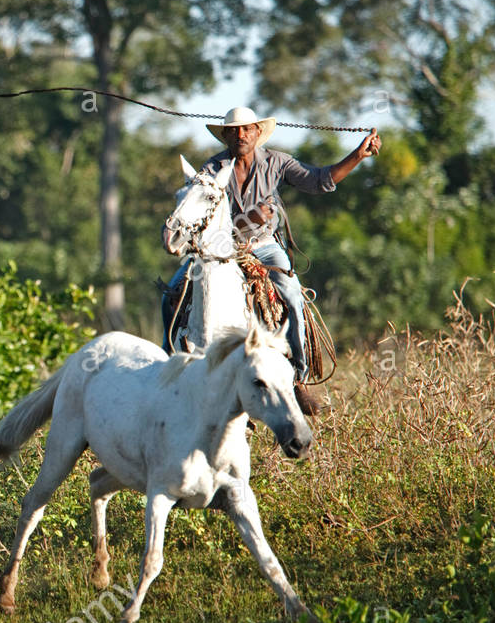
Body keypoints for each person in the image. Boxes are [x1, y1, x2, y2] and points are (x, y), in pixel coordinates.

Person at [161, 106, 381, 413]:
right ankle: (168, 367)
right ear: (225, 135)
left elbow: (318, 181)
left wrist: (358, 156)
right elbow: (204, 213)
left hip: (265, 246)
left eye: (247, 129)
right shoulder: (211, 170)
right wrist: (247, 219)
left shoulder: (277, 162)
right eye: (234, 130)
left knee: (293, 296)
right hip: (222, 248)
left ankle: (299, 378)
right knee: (172, 293)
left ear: (256, 133)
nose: (241, 135)